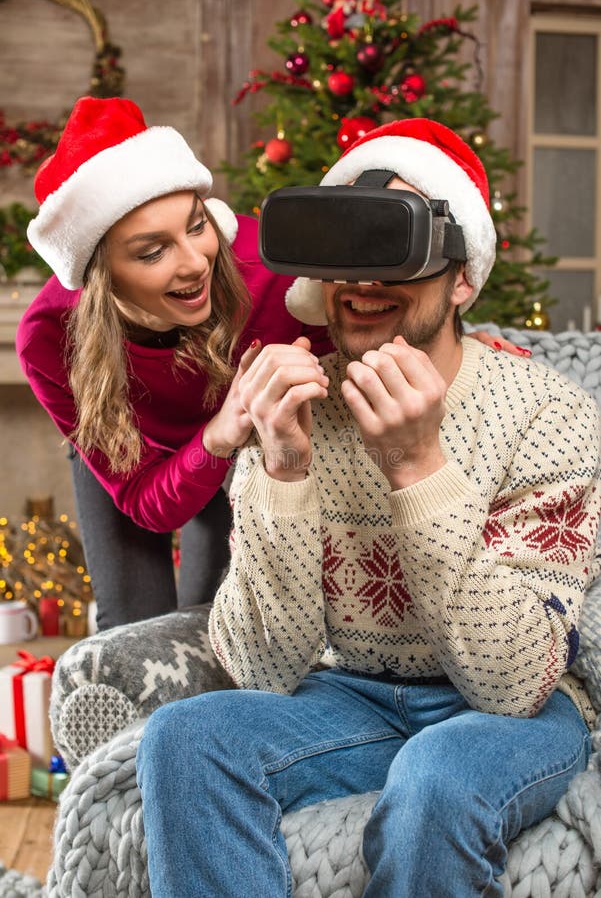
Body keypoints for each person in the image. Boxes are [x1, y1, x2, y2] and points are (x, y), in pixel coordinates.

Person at [137, 118, 601, 897]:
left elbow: (516, 685)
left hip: (508, 717)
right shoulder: (293, 402)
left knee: (437, 772)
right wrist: (283, 470)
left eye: (397, 248)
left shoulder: (546, 413)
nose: (366, 281)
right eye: (349, 251)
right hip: (347, 696)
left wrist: (417, 466)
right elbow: (256, 669)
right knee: (185, 737)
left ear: (460, 277)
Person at [17, 98, 512, 631]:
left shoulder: (273, 278)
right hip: (139, 455)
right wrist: (216, 434)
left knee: (212, 622)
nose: (195, 262)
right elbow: (147, 502)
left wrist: (460, 341)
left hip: (245, 448)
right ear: (101, 274)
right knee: (133, 627)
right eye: (151, 252)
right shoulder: (51, 339)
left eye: (197, 225)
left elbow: (383, 320)